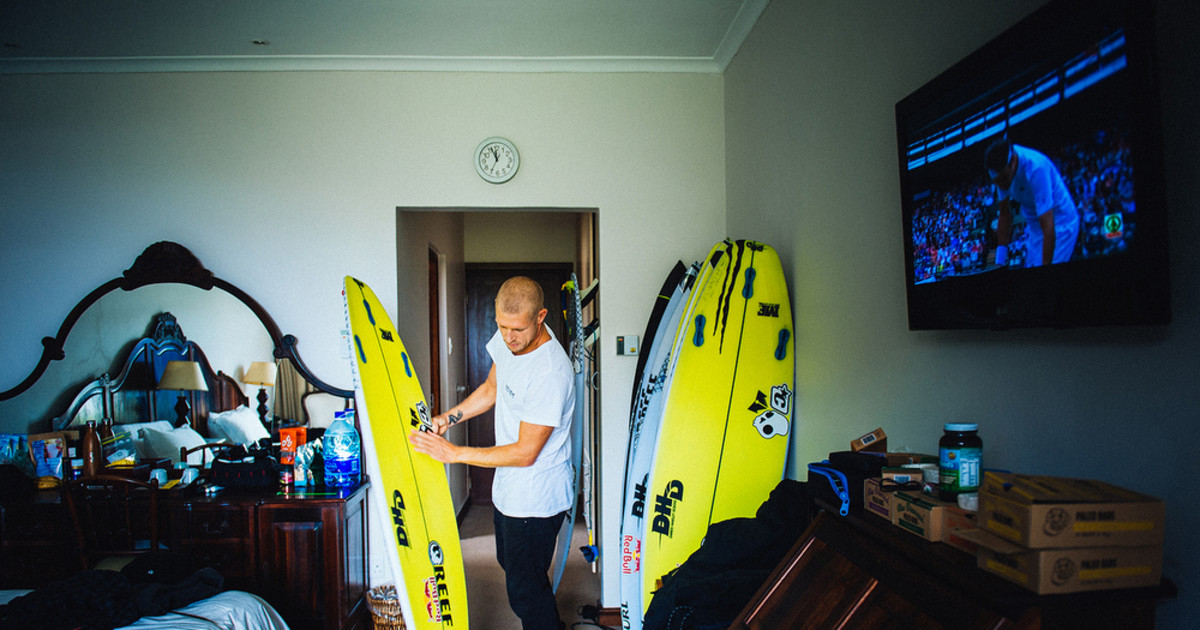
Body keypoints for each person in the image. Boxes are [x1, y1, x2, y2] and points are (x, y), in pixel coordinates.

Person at [409, 276, 575, 630]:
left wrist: (453, 454)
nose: (509, 337)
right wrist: (447, 419)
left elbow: (526, 453)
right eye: (502, 327)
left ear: (541, 316)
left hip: (536, 497)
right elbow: (490, 388)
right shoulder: (508, 343)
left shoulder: (550, 373)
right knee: (514, 567)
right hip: (509, 491)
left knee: (526, 593)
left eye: (517, 329)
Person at [985, 137, 1080, 268]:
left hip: (1060, 223)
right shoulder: (1001, 175)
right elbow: (1005, 214)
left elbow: (1048, 225)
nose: (1002, 186)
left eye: (1003, 180)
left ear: (1012, 162)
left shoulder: (1036, 168)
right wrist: (999, 262)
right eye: (997, 183)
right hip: (1035, 227)